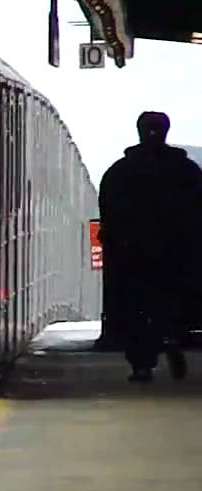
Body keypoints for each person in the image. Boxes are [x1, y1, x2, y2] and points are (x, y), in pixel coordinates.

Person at [97, 111, 202, 382]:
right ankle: (173, 337)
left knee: (136, 310)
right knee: (172, 301)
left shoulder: (120, 173)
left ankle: (142, 363)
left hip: (132, 255)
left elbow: (109, 216)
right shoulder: (188, 172)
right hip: (176, 254)